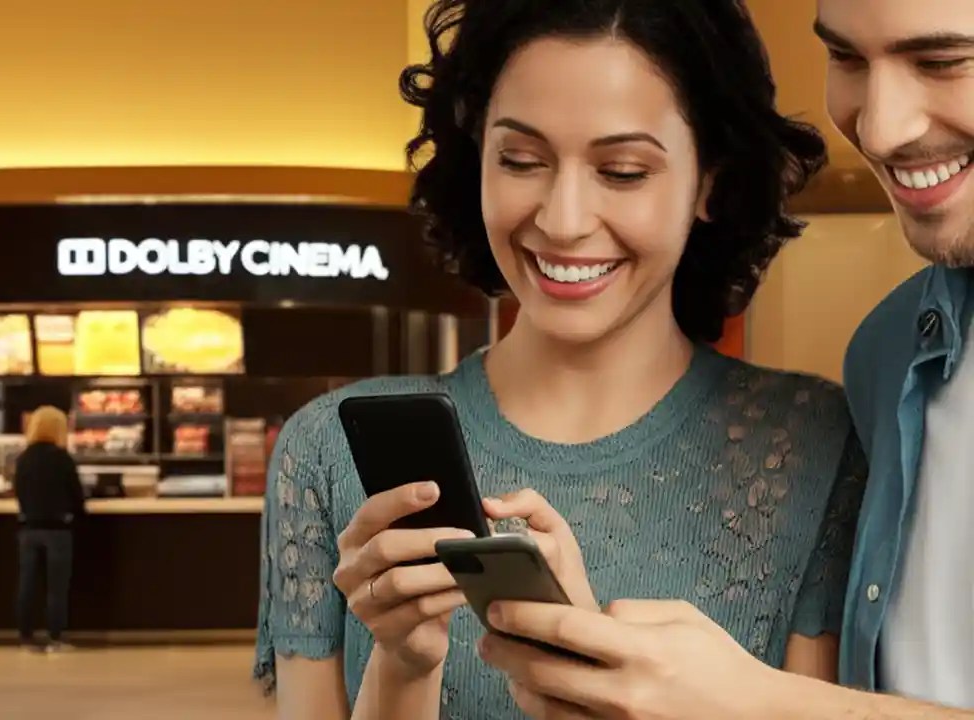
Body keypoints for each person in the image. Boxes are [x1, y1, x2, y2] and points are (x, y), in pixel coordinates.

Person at [252, 0, 867, 717]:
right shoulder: (326, 450)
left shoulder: (809, 442)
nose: (563, 220)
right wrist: (404, 665)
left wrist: (581, 678)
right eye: (520, 160)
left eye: (624, 170)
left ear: (710, 182)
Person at [480, 0, 974, 717]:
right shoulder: (889, 352)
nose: (880, 127)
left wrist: (758, 703)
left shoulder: (808, 428)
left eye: (942, 62)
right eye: (846, 59)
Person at [13, 405, 85, 653]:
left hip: (28, 528)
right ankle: (55, 638)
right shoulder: (61, 457)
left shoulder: (23, 458)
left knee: (27, 584)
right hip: (57, 529)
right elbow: (76, 495)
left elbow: (18, 492)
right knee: (56, 587)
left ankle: (25, 638)